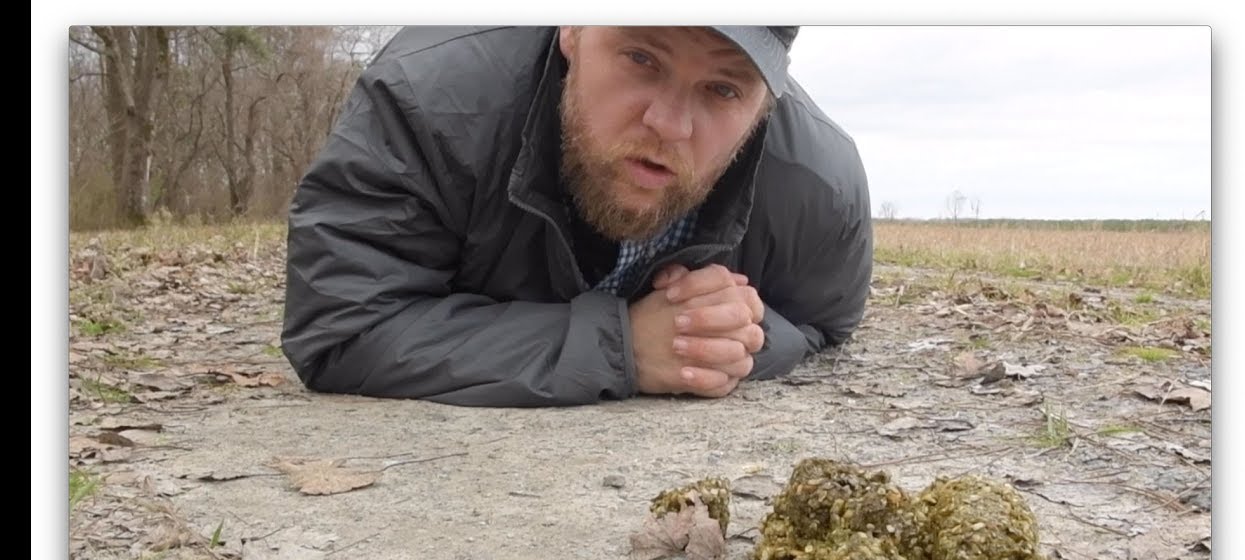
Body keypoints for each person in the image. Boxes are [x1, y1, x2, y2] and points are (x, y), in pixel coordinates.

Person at [281, 26, 873, 408]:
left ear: (766, 103)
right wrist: (625, 347)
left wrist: (728, 335)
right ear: (573, 28)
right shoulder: (425, 101)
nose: (669, 123)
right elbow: (342, 324)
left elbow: (820, 326)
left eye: (722, 91)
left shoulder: (820, 185)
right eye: (642, 56)